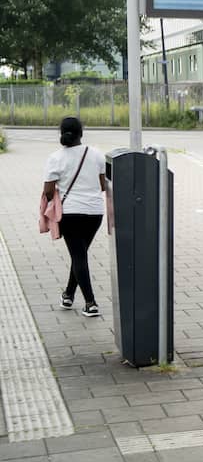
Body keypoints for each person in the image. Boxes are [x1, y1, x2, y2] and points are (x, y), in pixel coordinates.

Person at [42, 117, 108, 318]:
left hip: (70, 214)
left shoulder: (55, 158)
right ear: (81, 132)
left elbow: (48, 191)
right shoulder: (96, 154)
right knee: (80, 255)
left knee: (78, 256)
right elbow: (103, 185)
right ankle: (68, 295)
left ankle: (90, 303)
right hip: (95, 213)